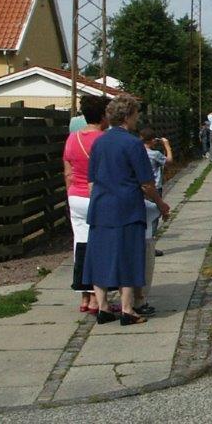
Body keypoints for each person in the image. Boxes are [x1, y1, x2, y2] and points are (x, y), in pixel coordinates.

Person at [82, 95, 170, 326]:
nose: (137, 119)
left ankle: (102, 308)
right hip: (127, 207)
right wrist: (160, 204)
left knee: (100, 254)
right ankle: (127, 309)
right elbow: (146, 183)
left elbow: (91, 180)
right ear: (128, 115)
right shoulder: (133, 144)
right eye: (136, 115)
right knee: (128, 255)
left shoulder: (99, 142)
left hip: (101, 205)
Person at [62, 95, 110, 313]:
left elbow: (68, 171)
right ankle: (95, 298)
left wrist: (69, 197)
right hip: (96, 196)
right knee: (98, 246)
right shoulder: (103, 140)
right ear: (103, 116)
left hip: (75, 196)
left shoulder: (72, 138)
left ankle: (83, 295)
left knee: (80, 245)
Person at [140, 128, 173, 258]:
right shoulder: (155, 154)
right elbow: (169, 161)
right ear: (153, 140)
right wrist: (167, 146)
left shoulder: (138, 152)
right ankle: (149, 245)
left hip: (140, 187)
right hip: (154, 186)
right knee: (153, 215)